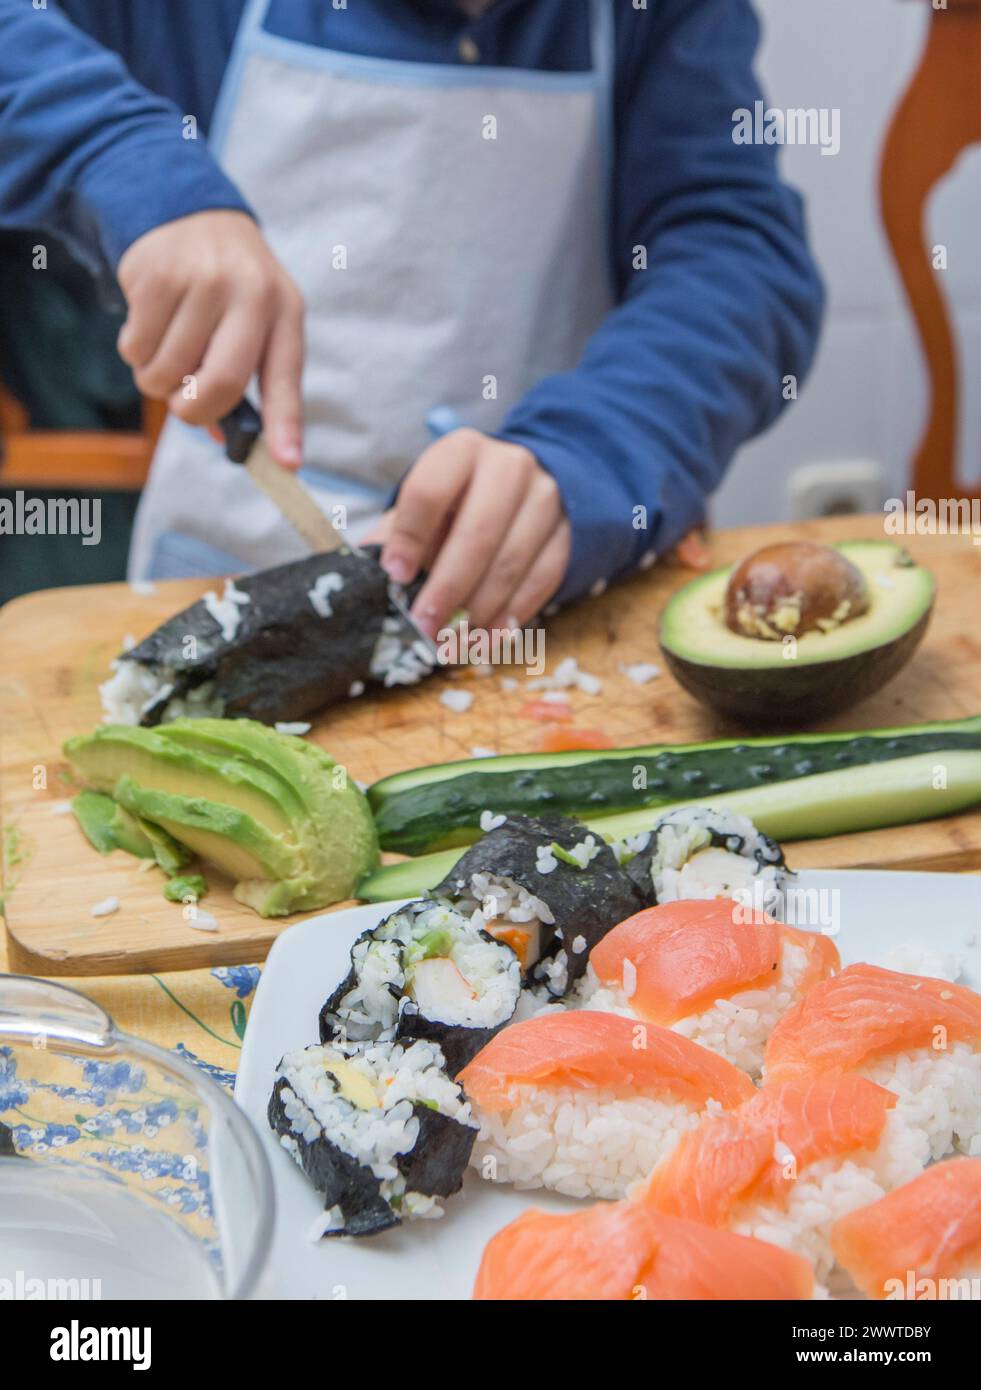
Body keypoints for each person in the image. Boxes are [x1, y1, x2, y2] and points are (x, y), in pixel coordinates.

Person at [0, 0, 822, 640]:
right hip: (217, 572)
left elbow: (737, 256)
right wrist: (123, 159)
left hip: (541, 607)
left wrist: (597, 450)